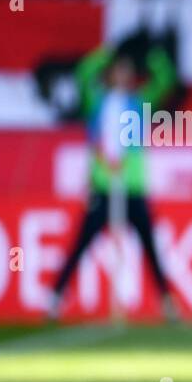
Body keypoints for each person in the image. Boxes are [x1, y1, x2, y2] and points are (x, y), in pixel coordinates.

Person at [48, 45, 177, 321]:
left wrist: (151, 54)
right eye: (117, 70)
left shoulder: (139, 103)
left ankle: (167, 303)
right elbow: (83, 75)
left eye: (126, 71)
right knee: (81, 243)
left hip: (131, 187)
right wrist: (106, 53)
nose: (121, 75)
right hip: (103, 186)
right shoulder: (97, 102)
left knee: (150, 246)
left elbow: (165, 80)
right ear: (110, 74)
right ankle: (55, 299)